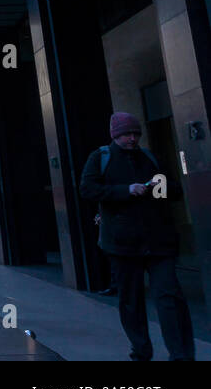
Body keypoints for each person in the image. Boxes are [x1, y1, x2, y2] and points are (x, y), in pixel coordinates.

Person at [80, 111, 195, 360]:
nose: (132, 139)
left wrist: (157, 187)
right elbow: (88, 189)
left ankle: (181, 354)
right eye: (126, 134)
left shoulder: (149, 157)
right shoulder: (101, 157)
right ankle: (141, 349)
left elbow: (175, 190)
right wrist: (126, 190)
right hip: (122, 243)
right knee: (131, 300)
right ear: (115, 135)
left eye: (135, 134)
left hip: (158, 241)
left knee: (169, 298)